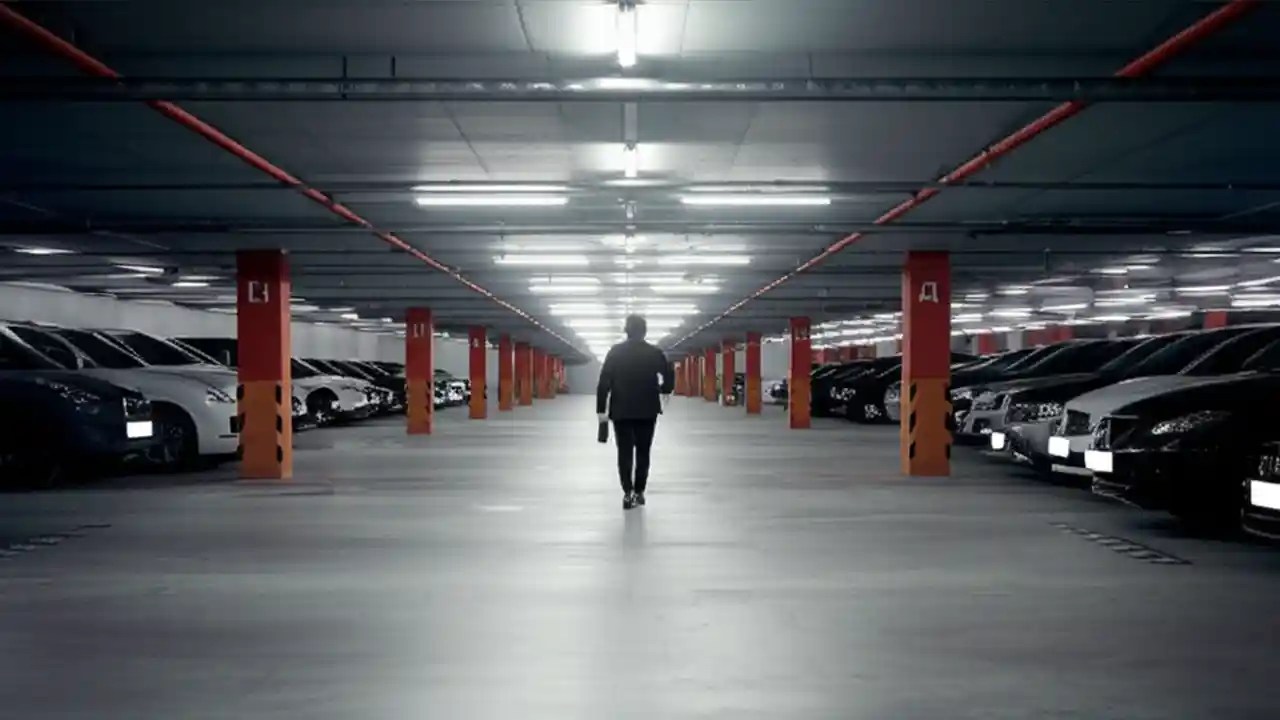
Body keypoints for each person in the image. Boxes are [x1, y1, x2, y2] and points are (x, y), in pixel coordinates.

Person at [597, 314, 675, 509]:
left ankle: (627, 492)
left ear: (626, 330)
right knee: (643, 451)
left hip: (621, 410)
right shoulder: (654, 353)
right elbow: (668, 373)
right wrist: (665, 389)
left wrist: (601, 410)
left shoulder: (615, 352)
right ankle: (640, 491)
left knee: (624, 452)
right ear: (645, 331)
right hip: (647, 410)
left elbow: (604, 382)